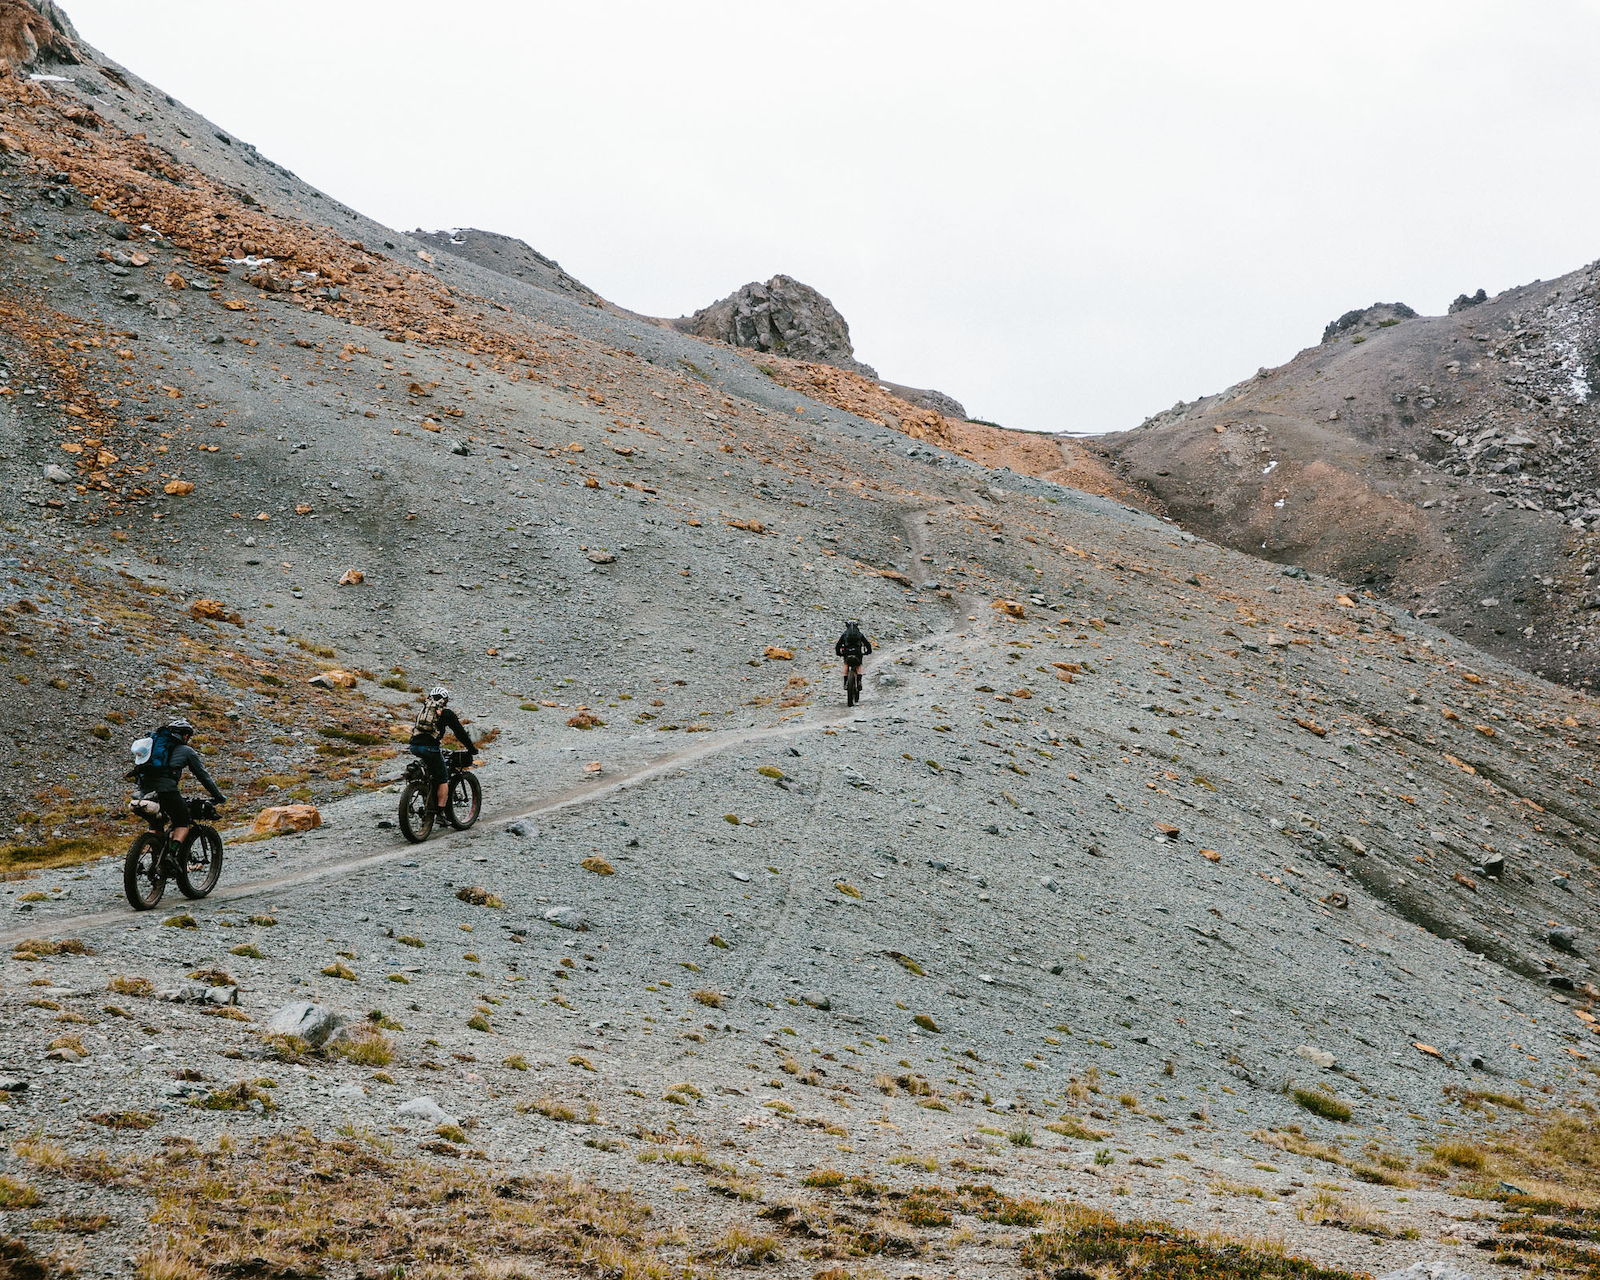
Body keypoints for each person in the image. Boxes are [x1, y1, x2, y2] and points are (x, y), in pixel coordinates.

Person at [141, 718, 225, 848]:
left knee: (156, 825)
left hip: (145, 793)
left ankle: (153, 860)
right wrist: (218, 796)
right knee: (182, 823)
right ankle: (172, 853)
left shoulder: (154, 749)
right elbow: (203, 776)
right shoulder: (186, 751)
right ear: (185, 736)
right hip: (167, 791)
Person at [410, 686, 474, 812]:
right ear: (446, 700)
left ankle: (426, 793)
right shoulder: (446, 713)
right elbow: (459, 732)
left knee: (429, 770)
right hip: (430, 748)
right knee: (443, 778)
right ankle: (440, 812)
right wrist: (471, 749)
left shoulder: (424, 711)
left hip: (414, 746)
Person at [835, 619, 872, 696]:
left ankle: (845, 682)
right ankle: (859, 681)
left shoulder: (845, 634)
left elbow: (838, 645)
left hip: (847, 653)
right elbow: (867, 644)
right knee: (858, 665)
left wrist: (839, 653)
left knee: (846, 664)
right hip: (857, 653)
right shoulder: (859, 634)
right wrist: (868, 652)